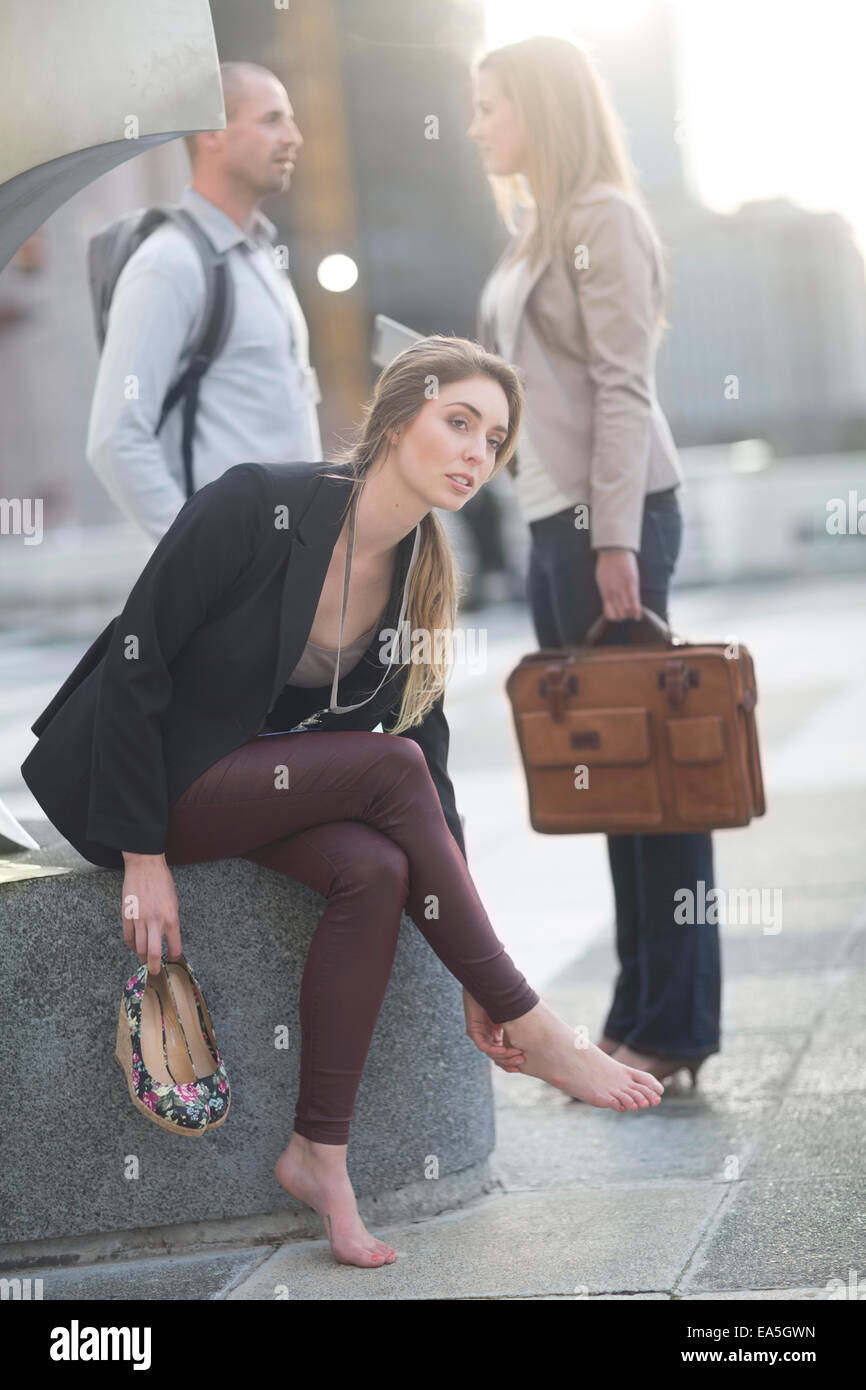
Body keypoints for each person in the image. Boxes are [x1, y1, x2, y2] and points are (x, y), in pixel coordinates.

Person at [21, 336, 664, 1271]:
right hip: (138, 788)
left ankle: (318, 1155)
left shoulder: (422, 575)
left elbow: (431, 765)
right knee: (388, 768)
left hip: (246, 784)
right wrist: (143, 856)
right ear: (400, 419)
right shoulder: (256, 504)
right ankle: (534, 1024)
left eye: (494, 440)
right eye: (459, 423)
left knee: (379, 866)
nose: (476, 454)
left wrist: (458, 931)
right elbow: (135, 667)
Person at [469, 36, 719, 1086]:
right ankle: (637, 1008)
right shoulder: (535, 229)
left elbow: (623, 385)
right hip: (549, 520)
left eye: (489, 106)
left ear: (539, 110)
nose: (476, 125)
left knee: (654, 779)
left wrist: (613, 539)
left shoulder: (601, 219)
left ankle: (674, 1022)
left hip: (600, 523)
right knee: (613, 783)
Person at [86, 60, 322, 541]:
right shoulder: (169, 263)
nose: (294, 137)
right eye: (272, 119)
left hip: (287, 565)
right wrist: (197, 558)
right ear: (211, 132)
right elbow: (114, 439)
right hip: (233, 582)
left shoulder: (258, 255)